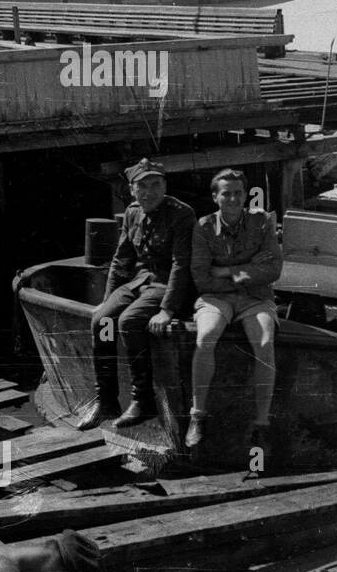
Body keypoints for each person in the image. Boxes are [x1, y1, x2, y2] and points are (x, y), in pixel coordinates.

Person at [78, 158, 195, 431]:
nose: (150, 192)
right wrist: (107, 300)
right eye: (143, 186)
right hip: (139, 282)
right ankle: (106, 401)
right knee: (102, 321)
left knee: (129, 322)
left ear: (165, 186)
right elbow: (121, 260)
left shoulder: (181, 214)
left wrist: (167, 309)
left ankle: (142, 400)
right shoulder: (132, 213)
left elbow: (181, 263)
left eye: (156, 184)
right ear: (132, 190)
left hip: (166, 284)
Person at [187, 169, 283, 463]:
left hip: (255, 298)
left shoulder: (262, 222)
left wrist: (227, 270)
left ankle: (261, 424)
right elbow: (202, 278)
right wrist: (247, 272)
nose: (232, 198)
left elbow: (273, 270)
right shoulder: (203, 227)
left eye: (238, 193)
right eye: (226, 193)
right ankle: (198, 415)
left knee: (265, 342)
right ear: (215, 197)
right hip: (217, 297)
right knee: (205, 337)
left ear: (246, 195)